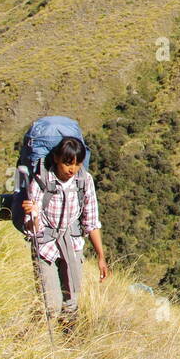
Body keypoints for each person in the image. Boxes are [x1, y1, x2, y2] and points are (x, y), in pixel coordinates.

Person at [21, 136, 109, 331]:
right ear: (56, 159)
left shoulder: (84, 181)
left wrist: (101, 257)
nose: (72, 169)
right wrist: (33, 213)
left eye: (77, 164)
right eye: (68, 163)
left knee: (71, 303)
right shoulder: (41, 182)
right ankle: (27, 337)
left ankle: (67, 343)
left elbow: (91, 221)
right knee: (50, 305)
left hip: (73, 244)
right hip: (45, 247)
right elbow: (33, 230)